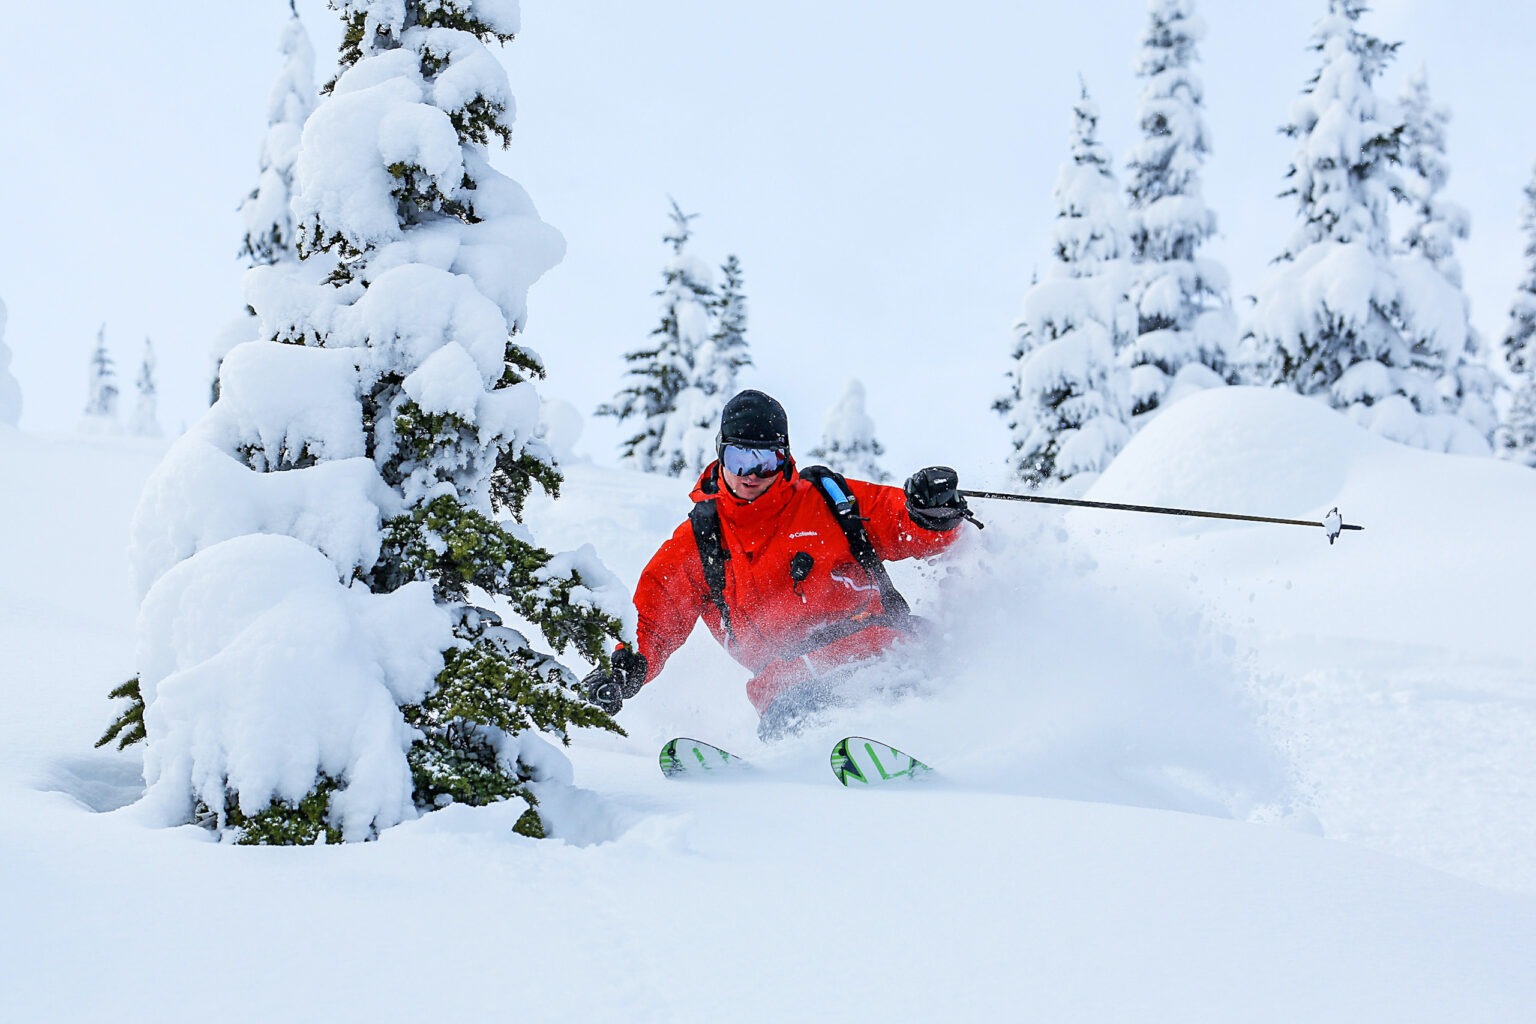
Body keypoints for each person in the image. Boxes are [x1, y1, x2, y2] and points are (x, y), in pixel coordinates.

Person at [582, 389, 975, 738]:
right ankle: (805, 772)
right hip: (790, 682)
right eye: (739, 458)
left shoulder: (830, 501)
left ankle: (949, 744)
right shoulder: (701, 540)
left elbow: (906, 525)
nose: (751, 474)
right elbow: (654, 618)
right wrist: (625, 668)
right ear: (720, 454)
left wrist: (932, 512)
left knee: (933, 676)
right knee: (792, 713)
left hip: (880, 647)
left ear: (784, 457)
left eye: (765, 460)